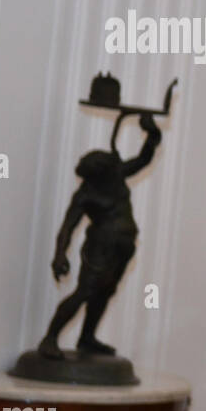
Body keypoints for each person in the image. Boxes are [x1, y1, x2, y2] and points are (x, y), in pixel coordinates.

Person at [40, 111, 161, 358]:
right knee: (85, 290)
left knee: (106, 291)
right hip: (100, 246)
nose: (115, 166)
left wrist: (152, 132)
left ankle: (87, 338)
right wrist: (60, 255)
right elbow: (67, 227)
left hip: (124, 245)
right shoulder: (86, 195)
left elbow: (144, 158)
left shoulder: (116, 176)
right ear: (96, 172)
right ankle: (50, 338)